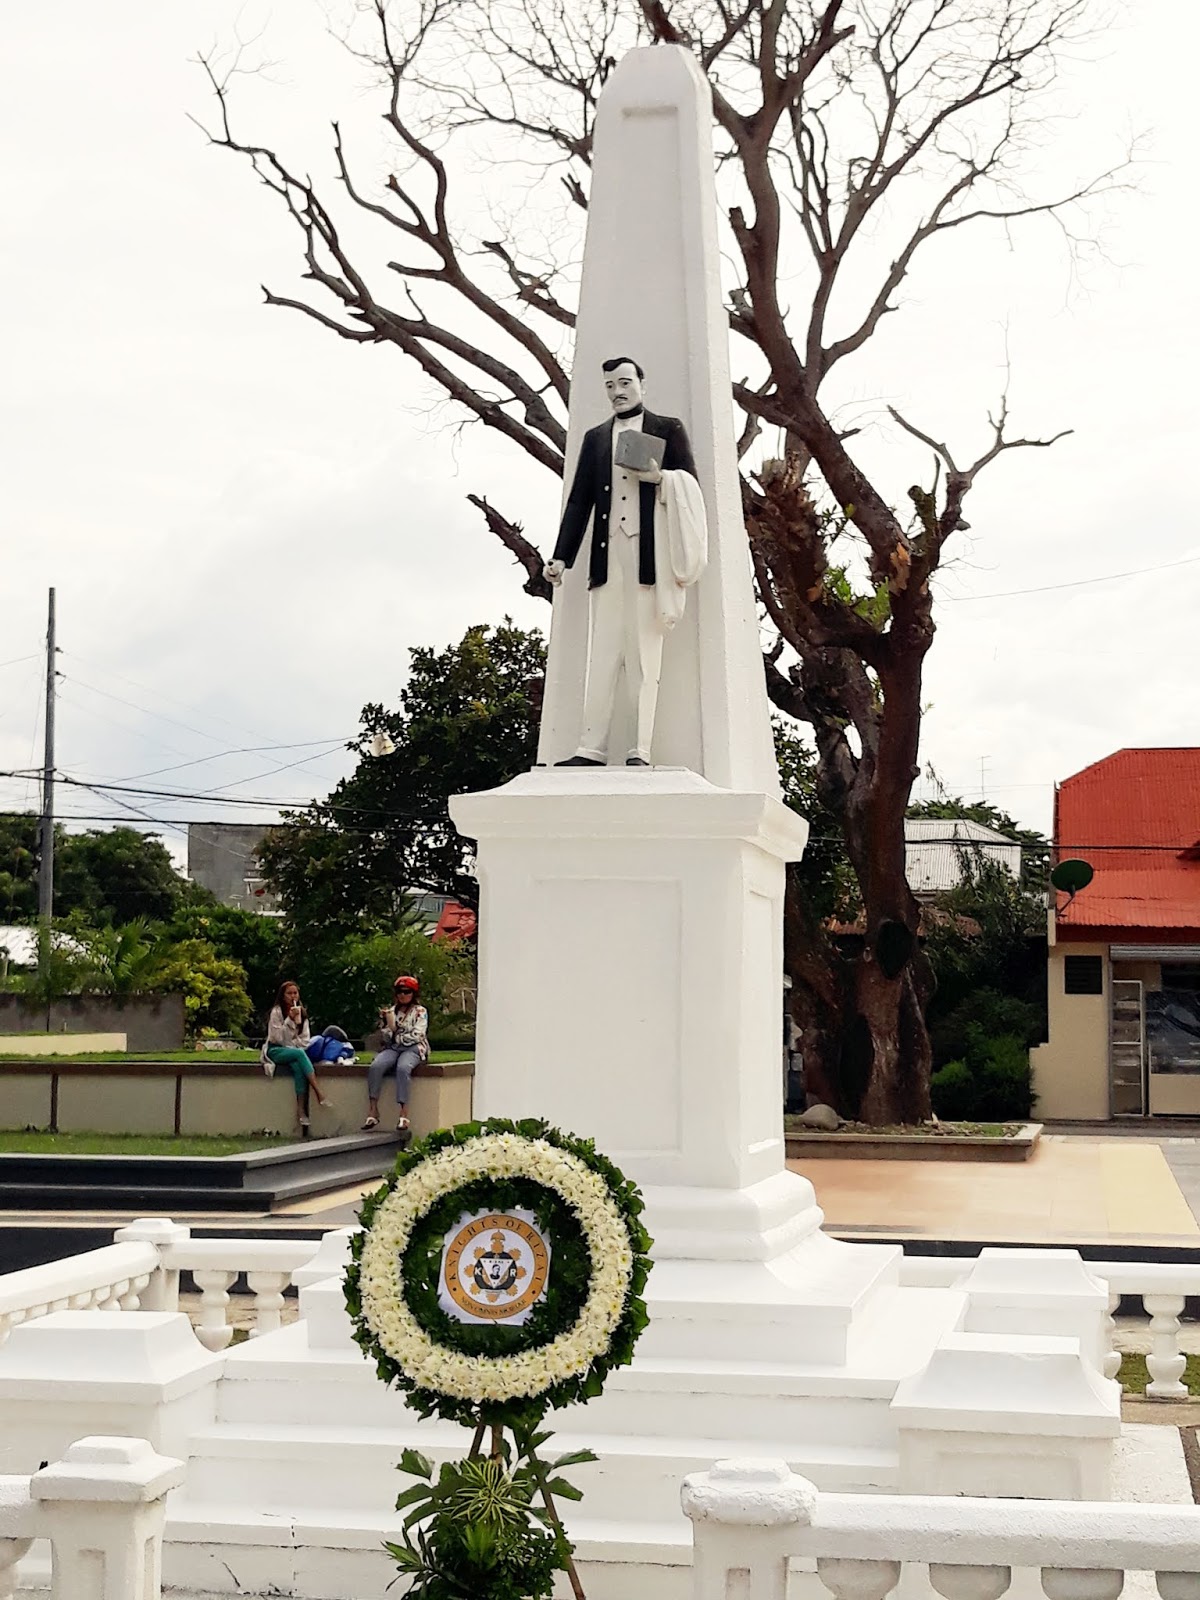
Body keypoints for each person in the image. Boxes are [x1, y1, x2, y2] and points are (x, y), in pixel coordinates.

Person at [544, 355, 707, 766]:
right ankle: (590, 748)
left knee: (643, 654)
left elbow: (692, 487)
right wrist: (562, 556)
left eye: (624, 383)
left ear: (641, 383)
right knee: (602, 652)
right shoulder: (596, 437)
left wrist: (661, 479)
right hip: (607, 556)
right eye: (610, 386)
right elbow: (579, 499)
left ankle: (640, 749)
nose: (617, 392)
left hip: (647, 557)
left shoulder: (667, 429)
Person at [361, 975, 429, 1132]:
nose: (403, 995)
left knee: (403, 1068)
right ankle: (373, 1110)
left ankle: (404, 1114)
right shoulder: (392, 1011)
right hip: (393, 1047)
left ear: (413, 994)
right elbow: (384, 1035)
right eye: (399, 992)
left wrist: (397, 1034)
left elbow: (418, 1035)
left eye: (406, 992)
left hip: (413, 1047)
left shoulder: (420, 1012)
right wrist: (385, 1025)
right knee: (376, 1066)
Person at [262, 980, 331, 1133]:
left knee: (298, 1068)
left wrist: (294, 1040)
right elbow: (276, 1038)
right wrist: (289, 1021)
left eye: (295, 993)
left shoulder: (303, 1013)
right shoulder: (277, 1012)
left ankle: (300, 1111)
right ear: (283, 996)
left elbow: (305, 1040)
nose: (293, 996)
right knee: (299, 1054)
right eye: (289, 993)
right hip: (276, 1050)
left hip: (294, 1051)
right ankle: (318, 1092)